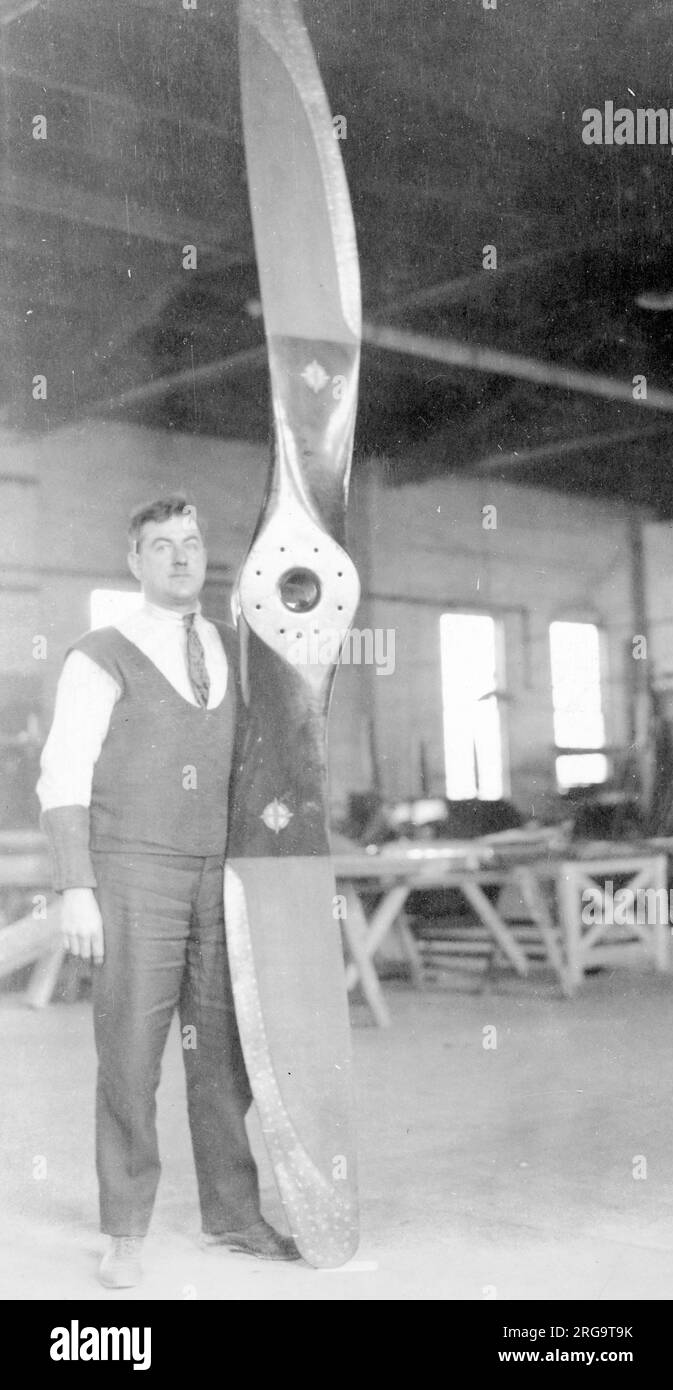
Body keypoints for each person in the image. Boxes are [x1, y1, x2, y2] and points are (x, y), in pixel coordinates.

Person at [37, 494, 298, 1288]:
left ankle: (233, 1216)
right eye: (161, 545)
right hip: (132, 874)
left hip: (220, 878)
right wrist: (76, 887)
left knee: (223, 1056)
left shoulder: (232, 647)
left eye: (191, 541)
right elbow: (62, 777)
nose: (181, 556)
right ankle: (125, 1228)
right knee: (129, 1058)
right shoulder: (98, 654)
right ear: (135, 561)